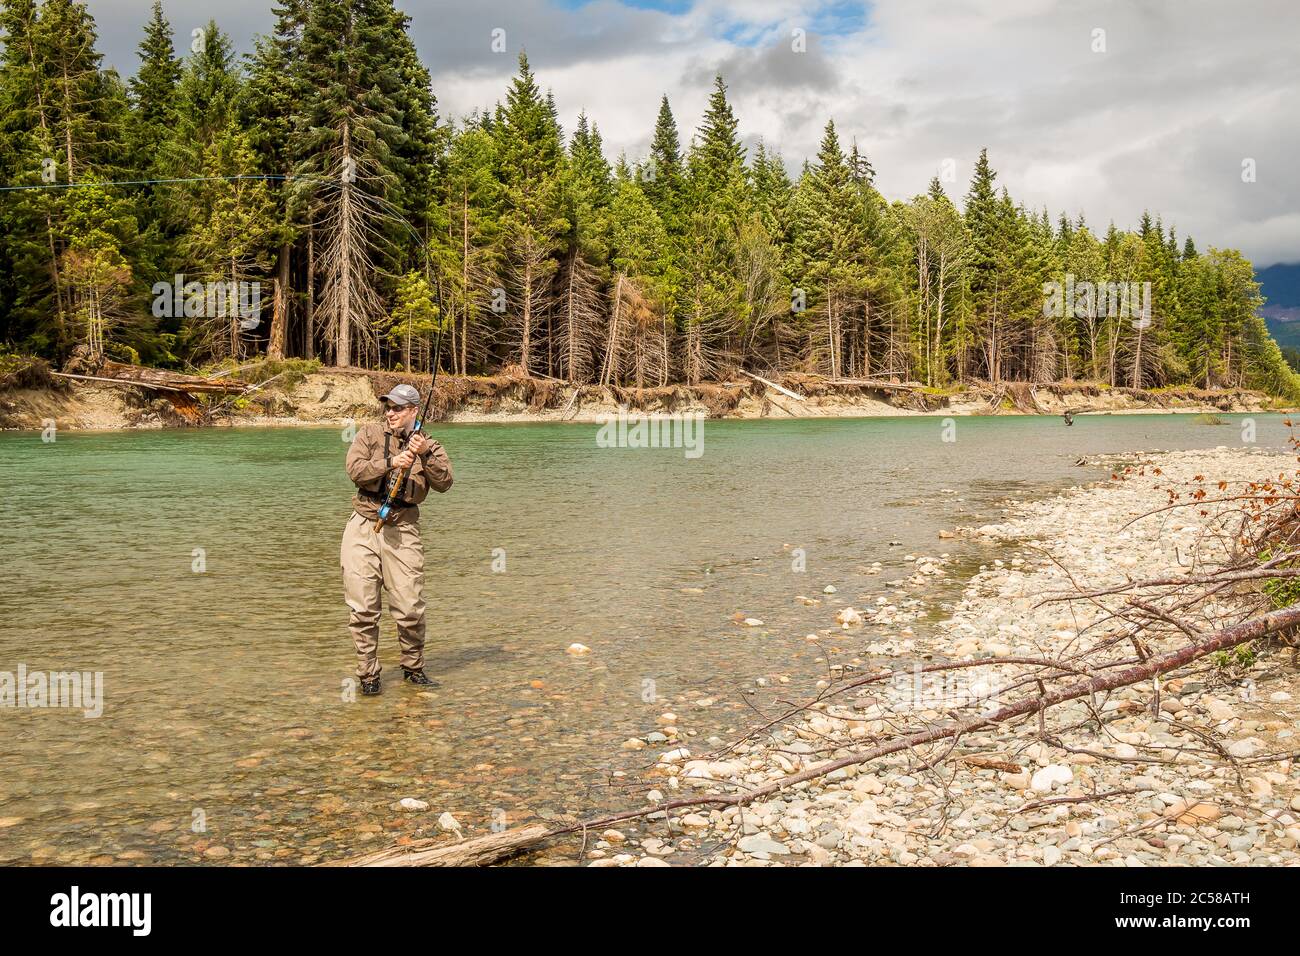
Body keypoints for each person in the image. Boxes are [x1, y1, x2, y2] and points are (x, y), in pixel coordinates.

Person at [341, 383, 453, 695]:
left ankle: (413, 669)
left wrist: (423, 453)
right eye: (387, 407)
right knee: (362, 607)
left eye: (398, 408)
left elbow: (445, 482)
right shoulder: (368, 434)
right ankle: (368, 676)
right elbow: (355, 470)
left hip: (403, 529)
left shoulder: (429, 444)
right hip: (363, 526)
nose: (390, 413)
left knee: (410, 607)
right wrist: (392, 462)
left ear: (413, 411)